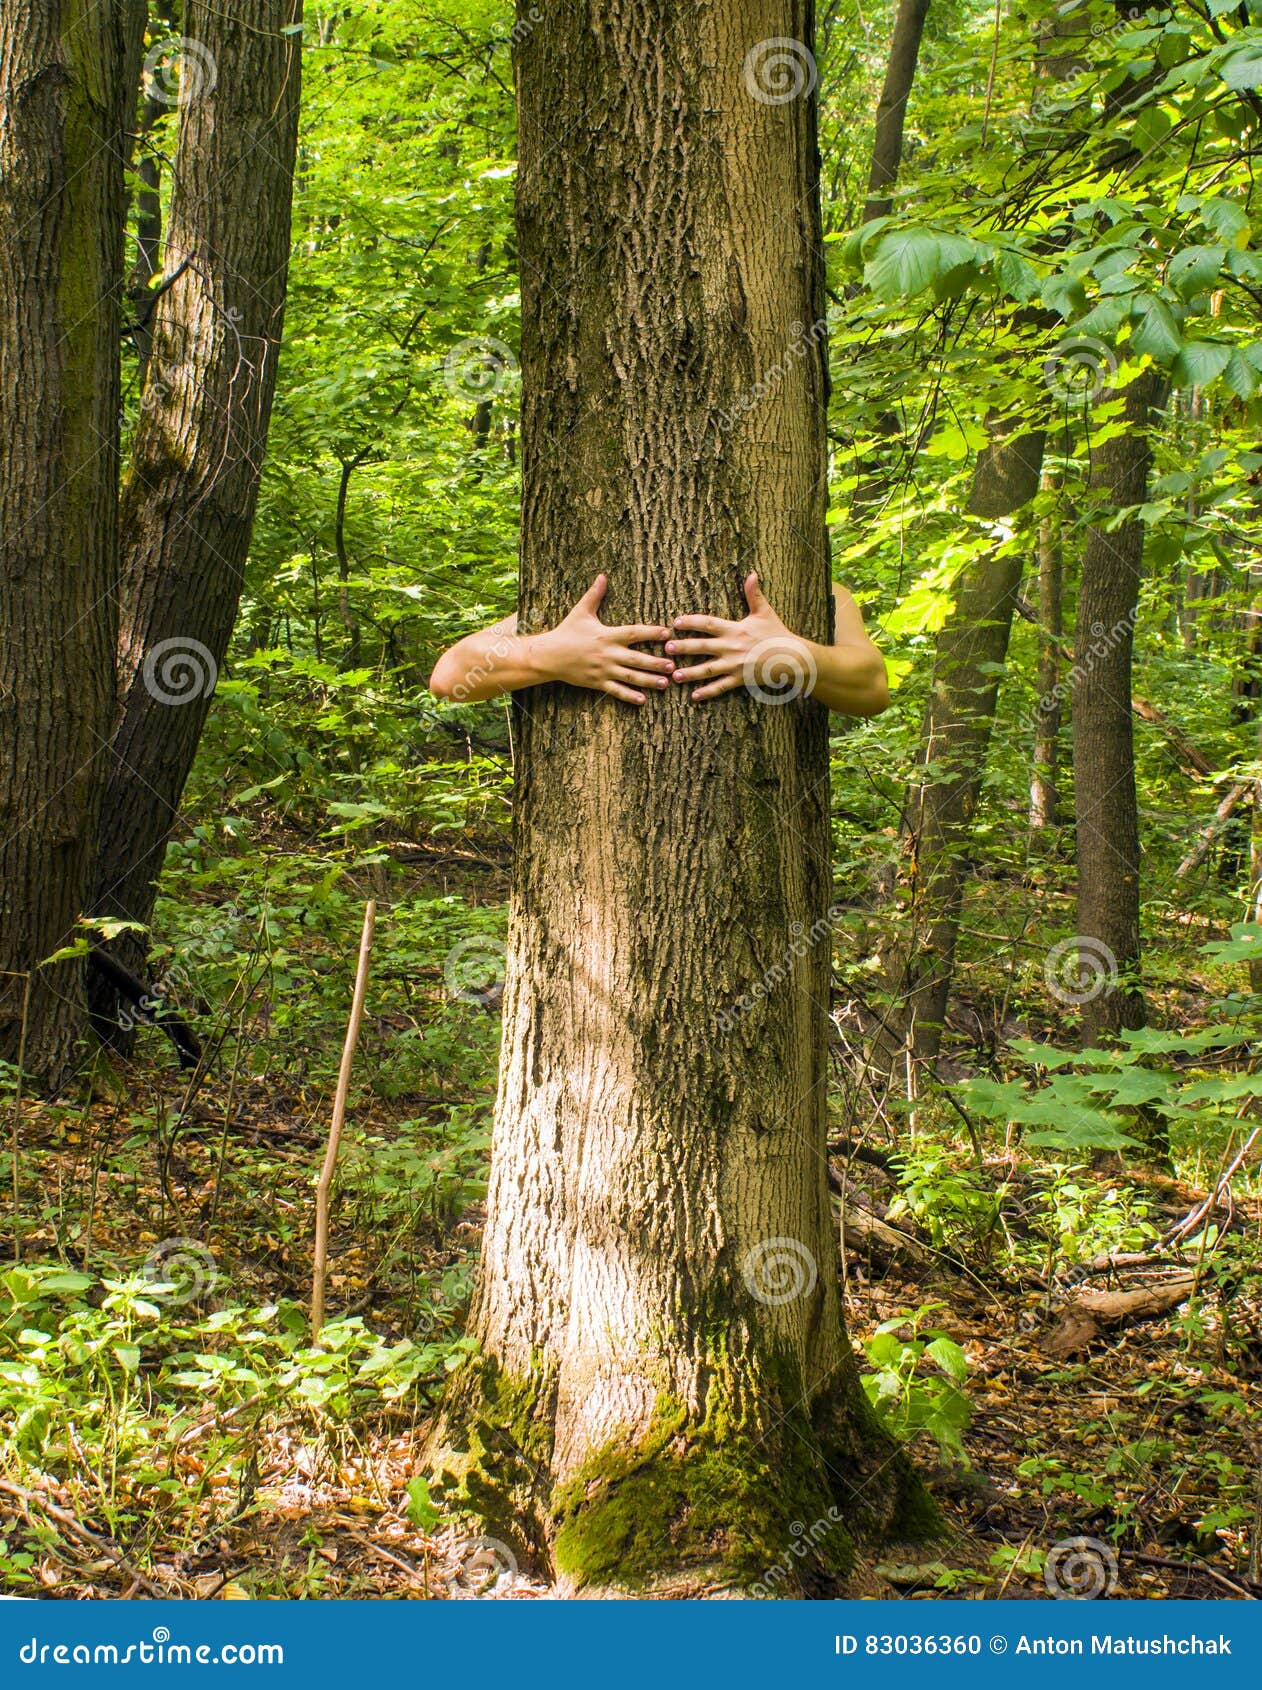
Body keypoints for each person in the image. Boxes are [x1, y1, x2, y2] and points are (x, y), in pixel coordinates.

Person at [428, 571, 890, 717]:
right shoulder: (573, 592)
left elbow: (872, 688)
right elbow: (450, 677)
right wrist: (548, 654)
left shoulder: (822, 594)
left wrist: (793, 654)